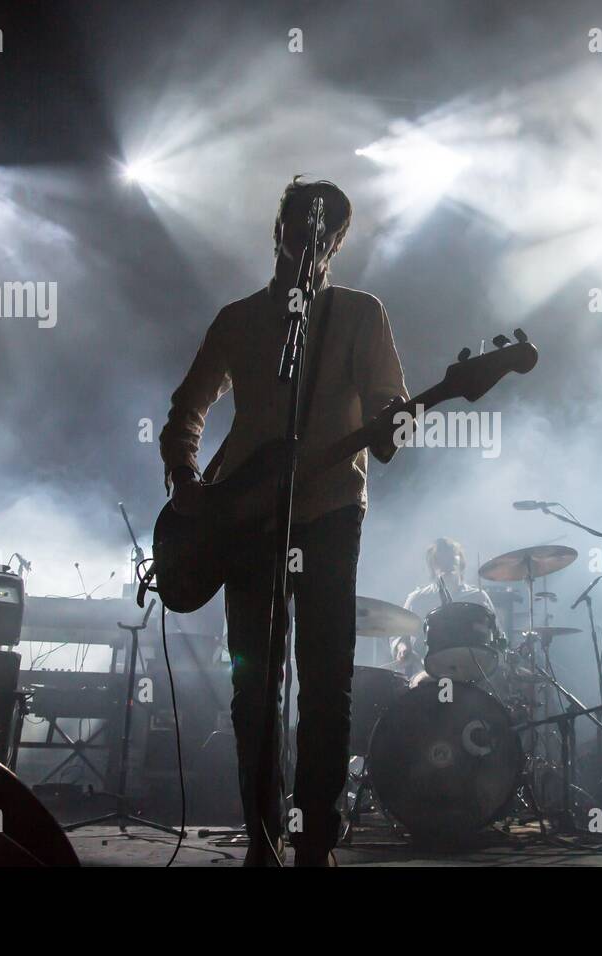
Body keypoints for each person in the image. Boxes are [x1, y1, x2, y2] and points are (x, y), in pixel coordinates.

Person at [160, 177, 409, 866]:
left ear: (337, 245)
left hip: (329, 514)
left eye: (326, 234)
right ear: (281, 233)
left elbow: (392, 417)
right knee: (254, 686)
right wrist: (185, 478)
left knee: (326, 683)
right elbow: (187, 410)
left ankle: (314, 844)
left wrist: (395, 425)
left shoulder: (361, 314)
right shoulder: (239, 320)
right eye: (302, 228)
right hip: (244, 523)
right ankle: (263, 838)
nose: (312, 242)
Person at [391, 537, 496, 676]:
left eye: (451, 557)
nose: (447, 563)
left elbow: (497, 635)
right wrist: (401, 647)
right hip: (425, 673)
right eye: (441, 559)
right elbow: (399, 634)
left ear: (461, 563)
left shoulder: (478, 597)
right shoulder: (418, 599)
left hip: (472, 673)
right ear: (432, 567)